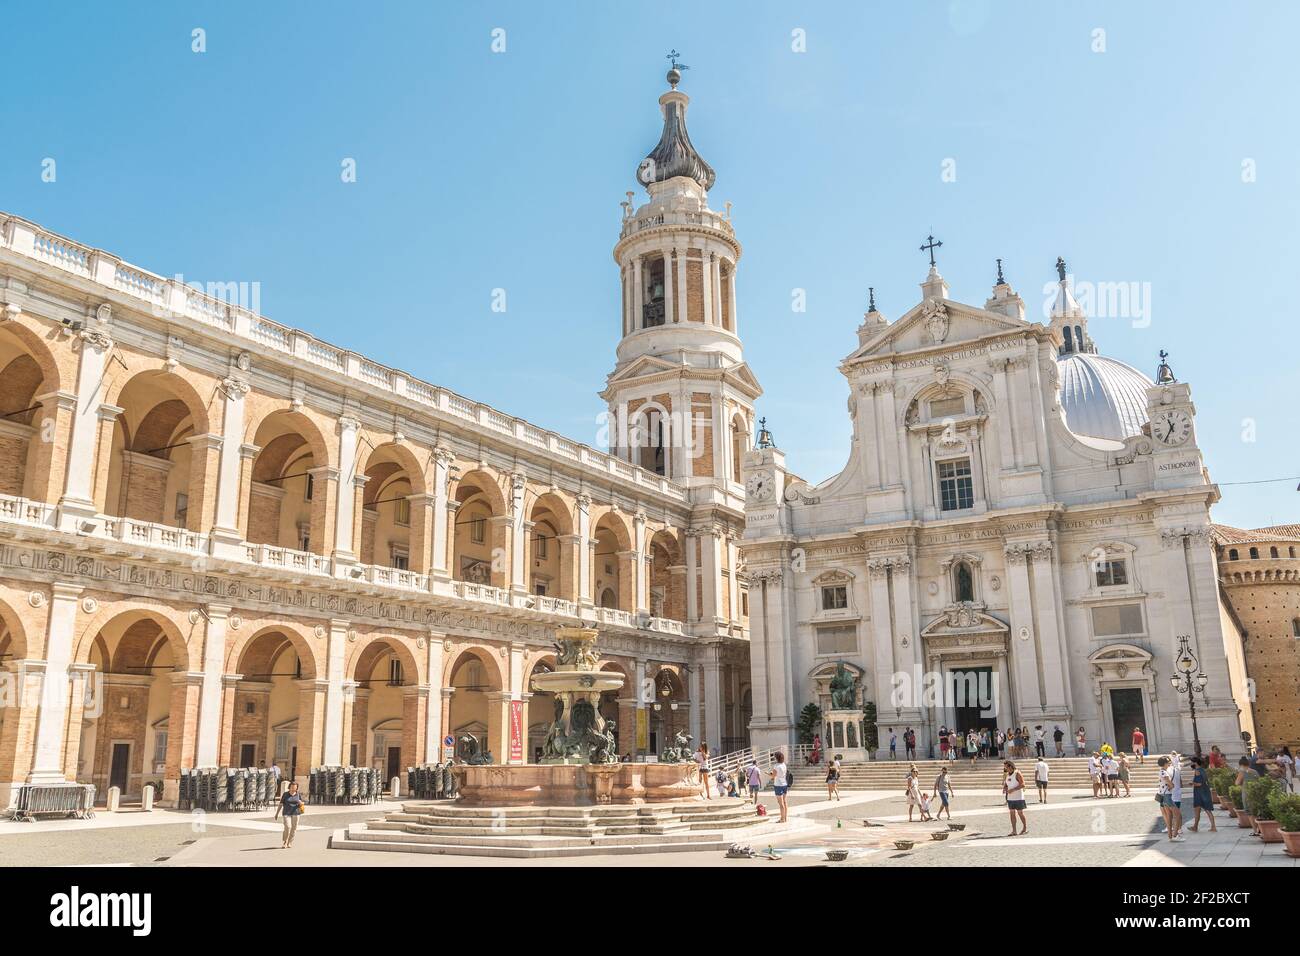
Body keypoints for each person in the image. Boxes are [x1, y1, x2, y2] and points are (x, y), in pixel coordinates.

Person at [1157, 757, 1183, 842]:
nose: (1169, 763)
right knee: (1178, 814)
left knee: (1169, 816)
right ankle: (1175, 835)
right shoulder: (1164, 772)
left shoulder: (1161, 771)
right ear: (1164, 763)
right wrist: (1172, 785)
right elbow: (1170, 784)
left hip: (1163, 795)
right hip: (1167, 796)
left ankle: (1170, 836)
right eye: (1168, 762)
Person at [1189, 756, 1218, 833]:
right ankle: (1196, 826)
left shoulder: (1197, 771)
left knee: (1200, 810)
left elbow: (1199, 784)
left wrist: (1192, 783)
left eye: (1192, 762)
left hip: (1200, 793)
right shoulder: (1202, 770)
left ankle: (1212, 827)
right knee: (1204, 810)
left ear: (1195, 763)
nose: (1191, 763)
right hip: (1205, 791)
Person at [275, 780, 306, 848]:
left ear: (296, 788)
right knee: (288, 827)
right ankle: (285, 841)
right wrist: (277, 813)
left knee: (294, 828)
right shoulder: (285, 794)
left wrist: (301, 803)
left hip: (296, 813)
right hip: (286, 813)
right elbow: (281, 804)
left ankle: (290, 842)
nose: (293, 789)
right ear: (289, 787)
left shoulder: (298, 794)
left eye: (295, 788)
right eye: (292, 787)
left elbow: (301, 802)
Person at [1003, 761, 1028, 836]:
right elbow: (1006, 784)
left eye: (1006, 767)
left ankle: (1024, 828)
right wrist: (1005, 788)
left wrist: (1013, 790)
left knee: (1020, 813)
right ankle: (1014, 830)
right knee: (1012, 814)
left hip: (1018, 797)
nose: (1005, 768)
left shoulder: (1017, 773)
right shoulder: (1007, 775)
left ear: (1010, 766)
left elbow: (1023, 784)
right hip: (1010, 798)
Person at [769, 752, 790, 823]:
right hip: (784, 784)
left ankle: (782, 819)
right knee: (784, 802)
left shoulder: (776, 766)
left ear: (776, 758)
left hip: (778, 785)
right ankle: (785, 818)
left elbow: (773, 776)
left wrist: (769, 774)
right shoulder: (784, 765)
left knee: (780, 803)